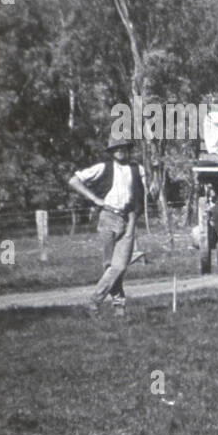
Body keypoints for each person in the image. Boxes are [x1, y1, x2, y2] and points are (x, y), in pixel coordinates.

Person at [68, 134, 146, 315]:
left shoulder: (137, 169)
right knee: (109, 266)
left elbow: (140, 198)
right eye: (116, 149)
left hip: (128, 219)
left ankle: (94, 301)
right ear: (112, 152)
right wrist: (95, 199)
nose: (120, 151)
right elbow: (74, 181)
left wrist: (133, 224)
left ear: (128, 149)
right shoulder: (104, 168)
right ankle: (119, 307)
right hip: (108, 218)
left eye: (123, 148)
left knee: (120, 266)